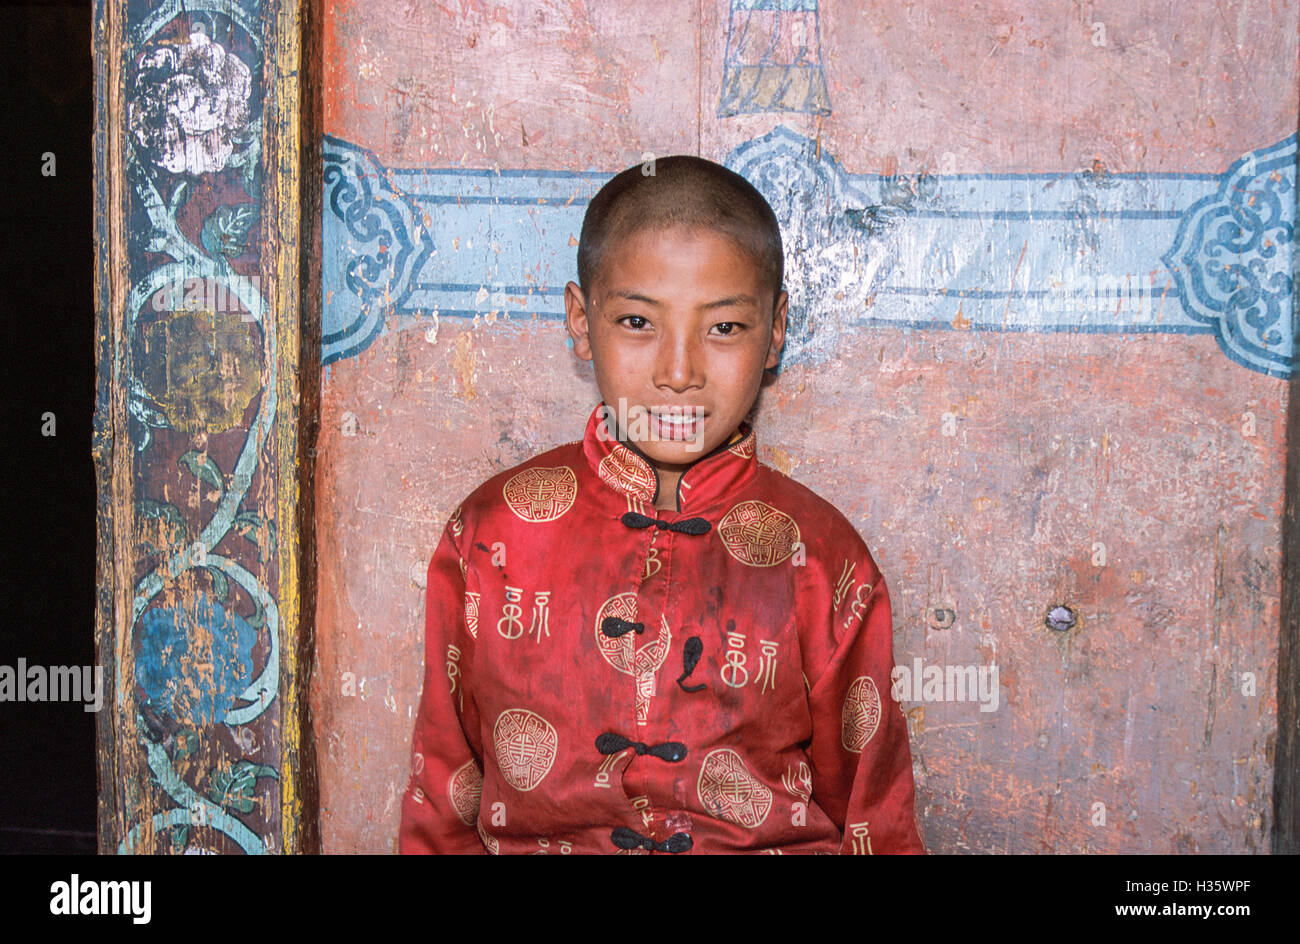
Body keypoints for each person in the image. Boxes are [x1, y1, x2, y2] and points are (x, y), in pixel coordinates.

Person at [398, 155, 926, 854]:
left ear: (775, 330)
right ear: (582, 323)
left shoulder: (821, 558)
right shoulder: (492, 535)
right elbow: (442, 798)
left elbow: (875, 820)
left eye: (725, 328)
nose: (680, 373)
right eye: (639, 321)